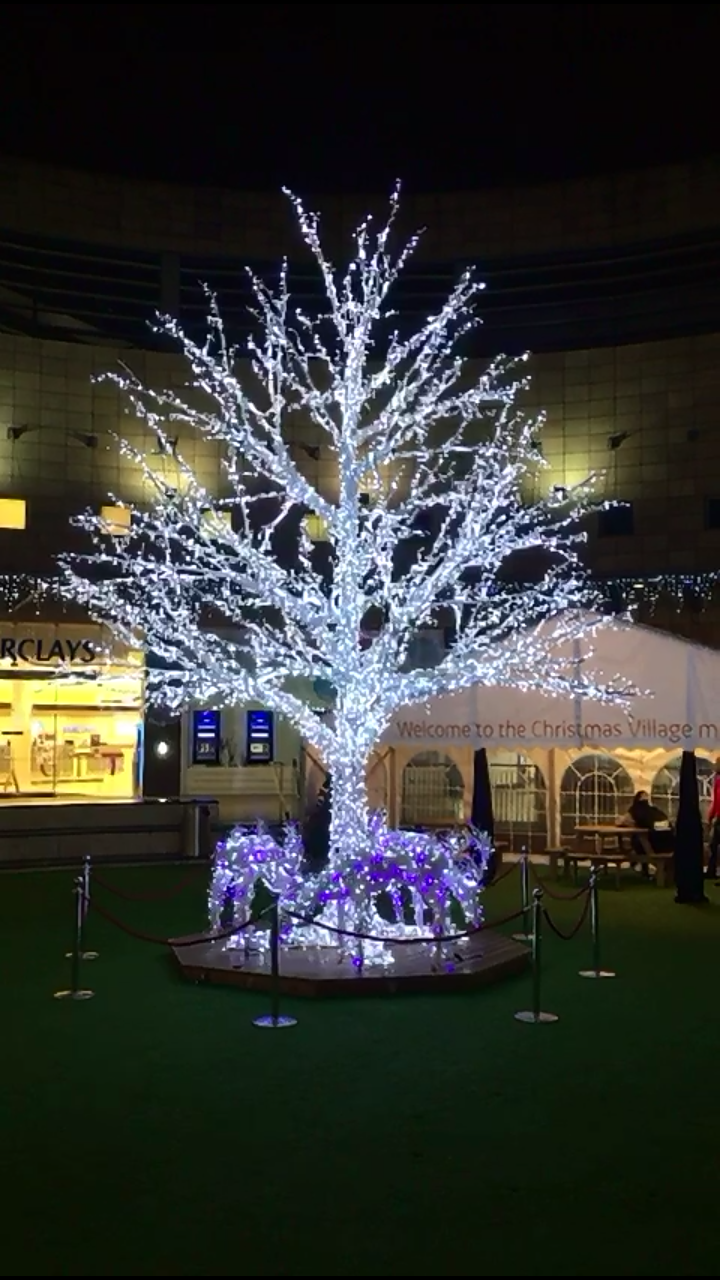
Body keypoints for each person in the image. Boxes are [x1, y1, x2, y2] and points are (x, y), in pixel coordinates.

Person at [618, 790, 673, 876]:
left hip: (653, 843)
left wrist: (631, 823)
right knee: (640, 840)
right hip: (667, 842)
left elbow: (620, 822)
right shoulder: (654, 811)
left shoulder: (636, 810)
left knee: (638, 840)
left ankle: (640, 866)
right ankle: (643, 867)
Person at [705, 758, 720, 878]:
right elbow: (715, 801)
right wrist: (710, 816)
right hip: (718, 817)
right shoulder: (717, 780)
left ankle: (711, 871)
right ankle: (711, 871)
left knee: (714, 844)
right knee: (713, 845)